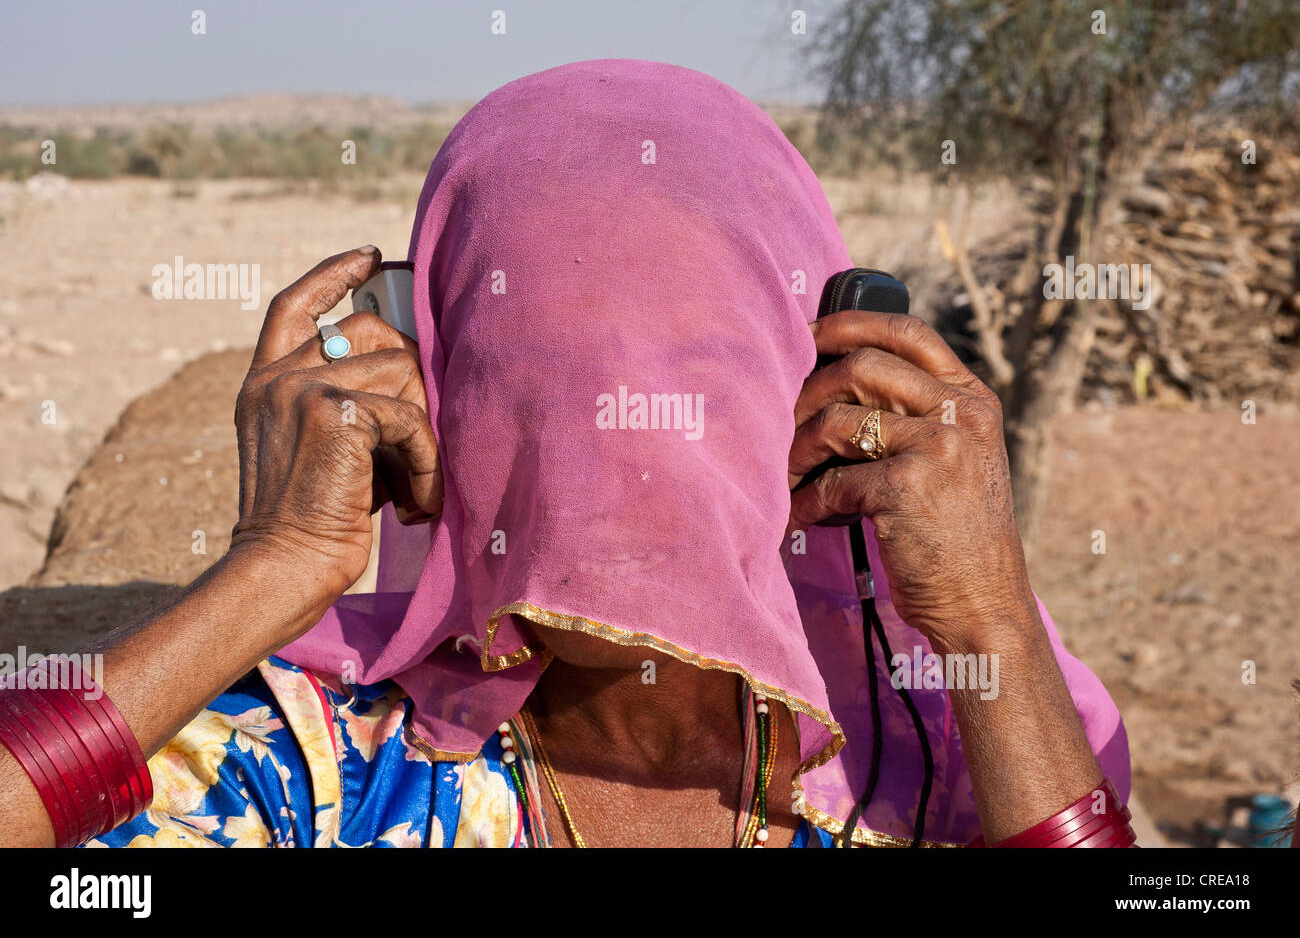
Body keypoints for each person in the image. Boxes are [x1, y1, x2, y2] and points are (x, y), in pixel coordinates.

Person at [0, 60, 1130, 848]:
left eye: (692, 390)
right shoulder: (316, 768)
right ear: (431, 392)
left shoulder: (929, 750)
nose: (611, 480)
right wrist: (276, 562)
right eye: (537, 394)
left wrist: (992, 619)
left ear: (819, 388)